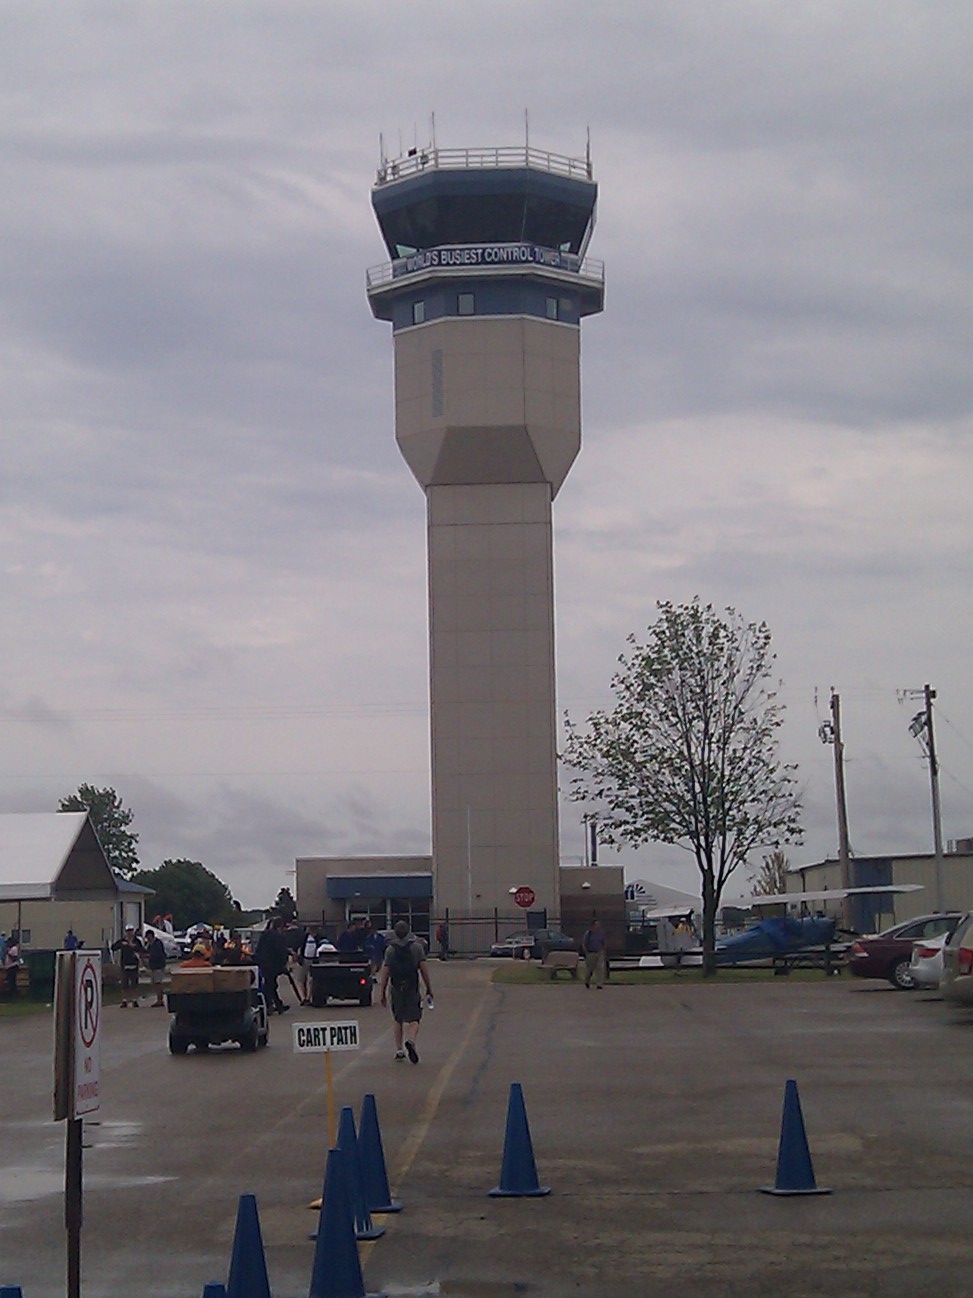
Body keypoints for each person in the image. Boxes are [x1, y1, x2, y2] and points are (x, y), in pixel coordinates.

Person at [379, 920, 433, 1064]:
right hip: (412, 986)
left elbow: (385, 972)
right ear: (408, 931)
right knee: (414, 1018)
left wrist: (382, 992)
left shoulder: (390, 950)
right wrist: (429, 988)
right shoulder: (417, 948)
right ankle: (411, 1040)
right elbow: (423, 969)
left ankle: (399, 1050)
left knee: (398, 1018)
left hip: (396, 987)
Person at [255, 917, 290, 1014]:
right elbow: (280, 951)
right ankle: (270, 1005)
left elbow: (259, 949)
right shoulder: (277, 936)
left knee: (270, 984)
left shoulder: (264, 935)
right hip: (273, 964)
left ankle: (276, 1005)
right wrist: (284, 963)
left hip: (263, 963)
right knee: (270, 985)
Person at [111, 926, 145, 1007]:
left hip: (134, 965)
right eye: (128, 931)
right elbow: (113, 947)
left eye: (131, 930)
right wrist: (121, 944)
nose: (129, 932)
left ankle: (134, 1000)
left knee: (134, 984)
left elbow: (142, 950)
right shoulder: (123, 940)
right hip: (125, 965)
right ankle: (124, 1000)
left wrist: (134, 946)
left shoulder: (137, 941)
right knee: (124, 984)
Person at [144, 928, 168, 1007]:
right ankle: (159, 998)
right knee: (155, 983)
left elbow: (157, 954)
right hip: (153, 966)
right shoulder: (150, 944)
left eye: (148, 937)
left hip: (158, 966)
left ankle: (160, 1000)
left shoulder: (157, 943)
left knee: (158, 983)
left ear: (151, 936)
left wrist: (148, 955)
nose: (147, 938)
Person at [582, 919, 607, 990]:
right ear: (593, 925)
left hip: (599, 952)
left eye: (599, 924)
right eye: (596, 924)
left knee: (600, 968)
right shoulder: (588, 933)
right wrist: (586, 952)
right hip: (591, 953)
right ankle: (587, 980)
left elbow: (604, 942)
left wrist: (604, 951)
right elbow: (584, 943)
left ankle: (599, 984)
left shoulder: (601, 933)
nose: (598, 926)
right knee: (590, 969)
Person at [3, 931, 20, 997]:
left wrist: (8, 953)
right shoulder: (10, 949)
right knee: (9, 981)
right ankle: (12, 993)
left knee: (11, 981)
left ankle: (14, 994)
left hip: (12, 967)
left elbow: (14, 958)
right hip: (9, 967)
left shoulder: (14, 949)